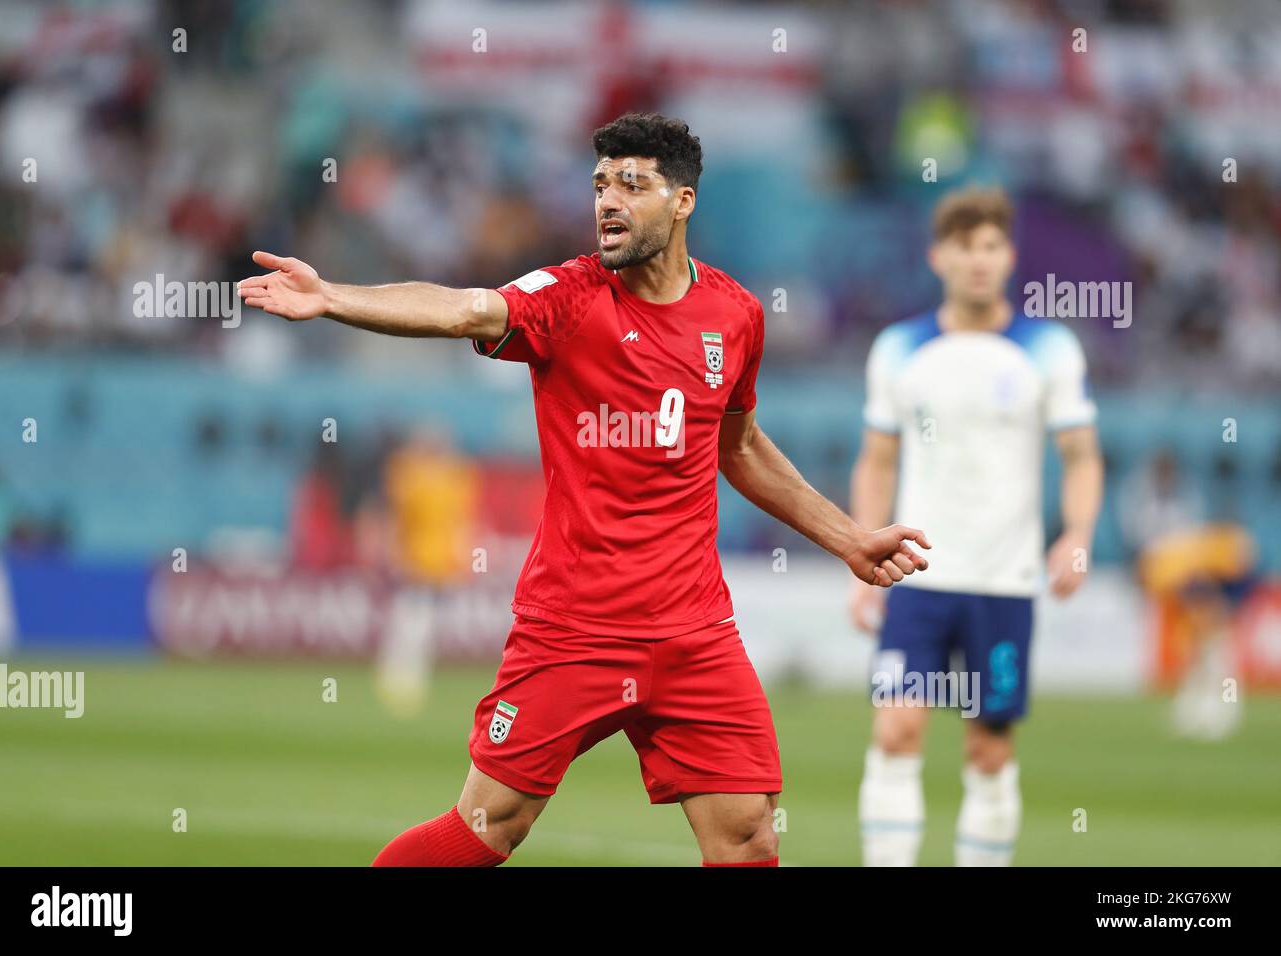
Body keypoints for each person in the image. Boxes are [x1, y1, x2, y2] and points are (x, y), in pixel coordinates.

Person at [240, 112, 931, 867]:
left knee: (748, 833)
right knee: (488, 827)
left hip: (694, 630)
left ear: (683, 202)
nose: (608, 200)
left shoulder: (735, 316)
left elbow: (740, 446)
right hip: (577, 626)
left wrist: (851, 539)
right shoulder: (569, 298)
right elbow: (468, 307)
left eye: (632, 184)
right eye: (600, 183)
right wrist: (332, 296)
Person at [849, 186, 1103, 866]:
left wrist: (1076, 535)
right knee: (897, 730)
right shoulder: (898, 348)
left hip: (1004, 577)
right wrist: (861, 553)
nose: (979, 261)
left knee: (989, 749)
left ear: (1009, 256)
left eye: (991, 246)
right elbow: (876, 462)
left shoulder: (1048, 348)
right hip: (918, 576)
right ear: (939, 257)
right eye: (965, 247)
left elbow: (1080, 455)